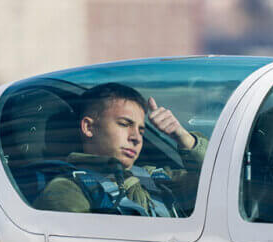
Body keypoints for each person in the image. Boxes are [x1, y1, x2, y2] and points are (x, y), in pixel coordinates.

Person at [33, 82, 207, 216]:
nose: (136, 138)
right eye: (124, 124)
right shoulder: (68, 190)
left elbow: (222, 183)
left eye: (141, 130)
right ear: (88, 127)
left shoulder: (158, 179)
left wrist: (185, 138)